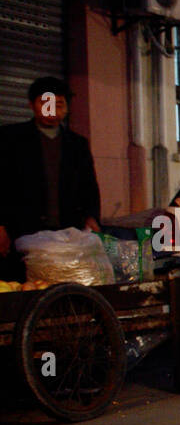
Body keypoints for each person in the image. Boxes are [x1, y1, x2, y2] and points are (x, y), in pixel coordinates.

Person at [0, 77, 101, 282]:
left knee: (65, 287)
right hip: (19, 233)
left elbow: (90, 186)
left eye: (58, 104)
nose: (51, 109)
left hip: (66, 234)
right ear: (31, 104)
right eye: (44, 103)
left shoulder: (77, 144)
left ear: (66, 108)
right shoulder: (10, 139)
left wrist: (92, 217)